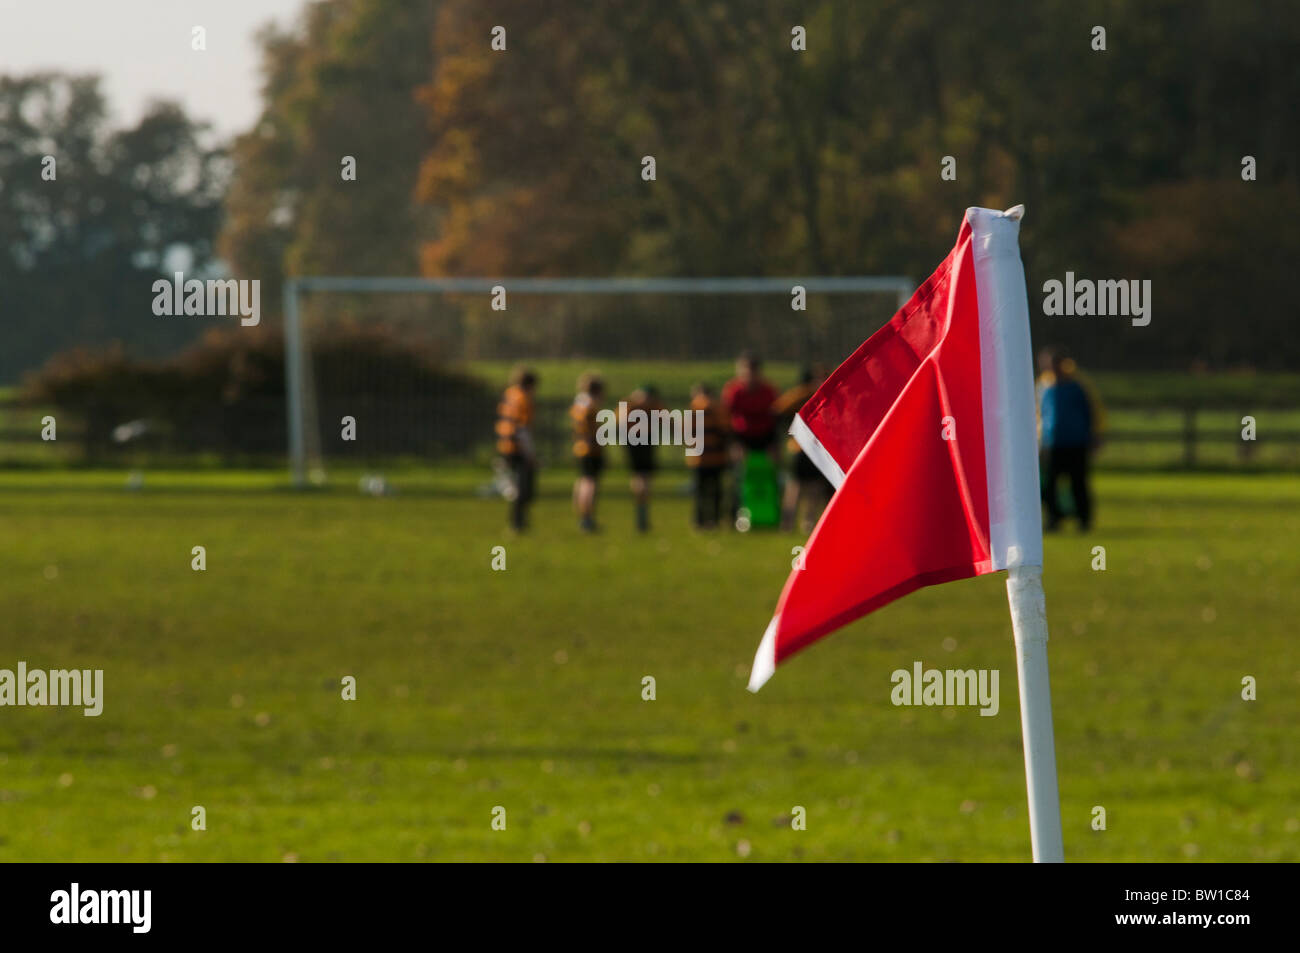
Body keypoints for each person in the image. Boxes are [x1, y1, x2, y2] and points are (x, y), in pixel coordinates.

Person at [1037, 350, 1096, 532]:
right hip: (1051, 442)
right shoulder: (1043, 387)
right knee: (1049, 484)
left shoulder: (1076, 386)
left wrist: (1094, 436)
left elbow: (1089, 413)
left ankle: (1083, 519)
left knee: (1078, 482)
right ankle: (1054, 518)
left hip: (1075, 442)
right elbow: (1039, 414)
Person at [773, 364, 832, 532]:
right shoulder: (803, 394)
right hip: (800, 448)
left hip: (819, 449)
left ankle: (809, 523)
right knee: (796, 486)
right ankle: (788, 522)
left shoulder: (829, 396)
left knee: (815, 486)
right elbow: (778, 409)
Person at [722, 351, 778, 523]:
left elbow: (774, 418)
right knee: (738, 477)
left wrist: (774, 445)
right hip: (742, 437)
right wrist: (733, 444)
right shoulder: (734, 391)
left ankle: (768, 515)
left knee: (767, 477)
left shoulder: (768, 391)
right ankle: (735, 516)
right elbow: (727, 418)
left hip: (764, 437)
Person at [495, 366, 538, 532]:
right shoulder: (523, 399)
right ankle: (517, 522)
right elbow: (522, 429)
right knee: (524, 486)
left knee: (517, 484)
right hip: (518, 446)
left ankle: (517, 521)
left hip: (505, 444)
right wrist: (530, 453)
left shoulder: (510, 394)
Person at [621, 385, 665, 533]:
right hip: (644, 441)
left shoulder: (629, 404)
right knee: (644, 477)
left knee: (638, 476)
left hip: (632, 441)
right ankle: (642, 511)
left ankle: (641, 510)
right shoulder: (651, 405)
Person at [686, 382, 729, 529]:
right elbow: (725, 430)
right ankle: (715, 520)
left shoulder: (693, 408)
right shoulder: (718, 408)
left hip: (698, 459)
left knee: (700, 492)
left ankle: (699, 520)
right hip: (717, 457)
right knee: (716, 491)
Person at [570, 372, 606, 533]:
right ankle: (587, 518)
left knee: (582, 480)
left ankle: (582, 515)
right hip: (591, 447)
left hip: (579, 446)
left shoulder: (579, 403)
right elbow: (592, 430)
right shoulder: (591, 405)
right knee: (590, 482)